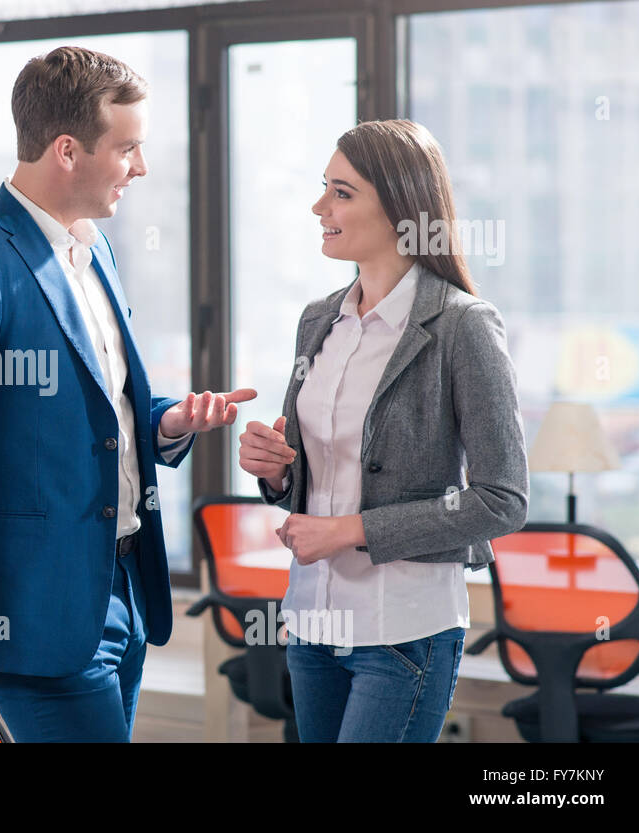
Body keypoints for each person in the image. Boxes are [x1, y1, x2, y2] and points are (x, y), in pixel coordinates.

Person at [0, 45, 254, 742]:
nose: (141, 168)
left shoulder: (95, 249)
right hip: (29, 619)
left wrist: (164, 423)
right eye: (128, 149)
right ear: (68, 151)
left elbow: (86, 416)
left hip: (123, 598)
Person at [237, 119, 529, 742]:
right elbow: (315, 482)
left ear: (402, 209)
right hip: (312, 624)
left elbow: (503, 499)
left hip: (403, 631)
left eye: (342, 193)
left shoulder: (462, 326)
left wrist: (351, 532)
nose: (320, 207)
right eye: (324, 188)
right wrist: (278, 471)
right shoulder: (319, 320)